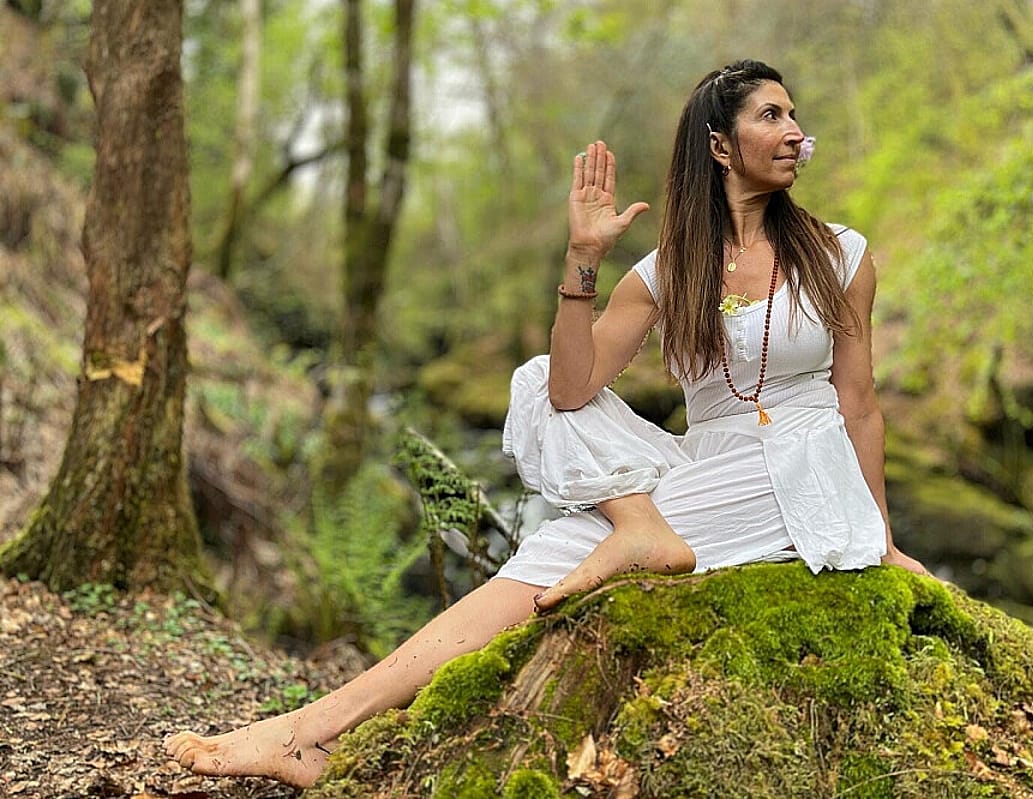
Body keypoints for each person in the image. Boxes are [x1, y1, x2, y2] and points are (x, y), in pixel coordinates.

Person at [165, 58, 927, 788]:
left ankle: (311, 728)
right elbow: (571, 388)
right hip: (709, 458)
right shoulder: (666, 272)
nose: (796, 130)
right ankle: (635, 529)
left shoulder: (840, 254)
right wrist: (583, 256)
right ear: (721, 147)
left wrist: (878, 536)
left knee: (561, 544)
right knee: (536, 381)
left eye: (794, 114)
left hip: (801, 460)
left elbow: (857, 404)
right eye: (773, 115)